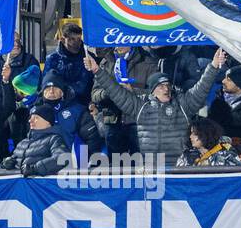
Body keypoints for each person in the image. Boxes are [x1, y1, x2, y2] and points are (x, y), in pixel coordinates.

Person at [87, 48, 226, 164]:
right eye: (160, 86)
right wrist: (97, 71)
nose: (165, 89)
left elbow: (201, 88)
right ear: (152, 91)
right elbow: (116, 91)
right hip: (152, 166)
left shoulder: (183, 104)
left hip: (180, 165)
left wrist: (213, 66)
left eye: (167, 85)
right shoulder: (140, 106)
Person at [2, 104, 70, 176]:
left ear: (48, 122)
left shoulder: (54, 139)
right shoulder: (22, 142)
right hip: (20, 186)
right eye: (31, 117)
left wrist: (35, 169)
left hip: (38, 186)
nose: (30, 120)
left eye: (36, 118)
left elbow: (63, 158)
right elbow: (12, 160)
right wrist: (5, 163)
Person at [175, 119, 241, 167]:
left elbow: (238, 180)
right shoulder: (186, 156)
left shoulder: (227, 156)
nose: (190, 136)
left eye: (195, 134)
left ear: (206, 135)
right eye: (190, 133)